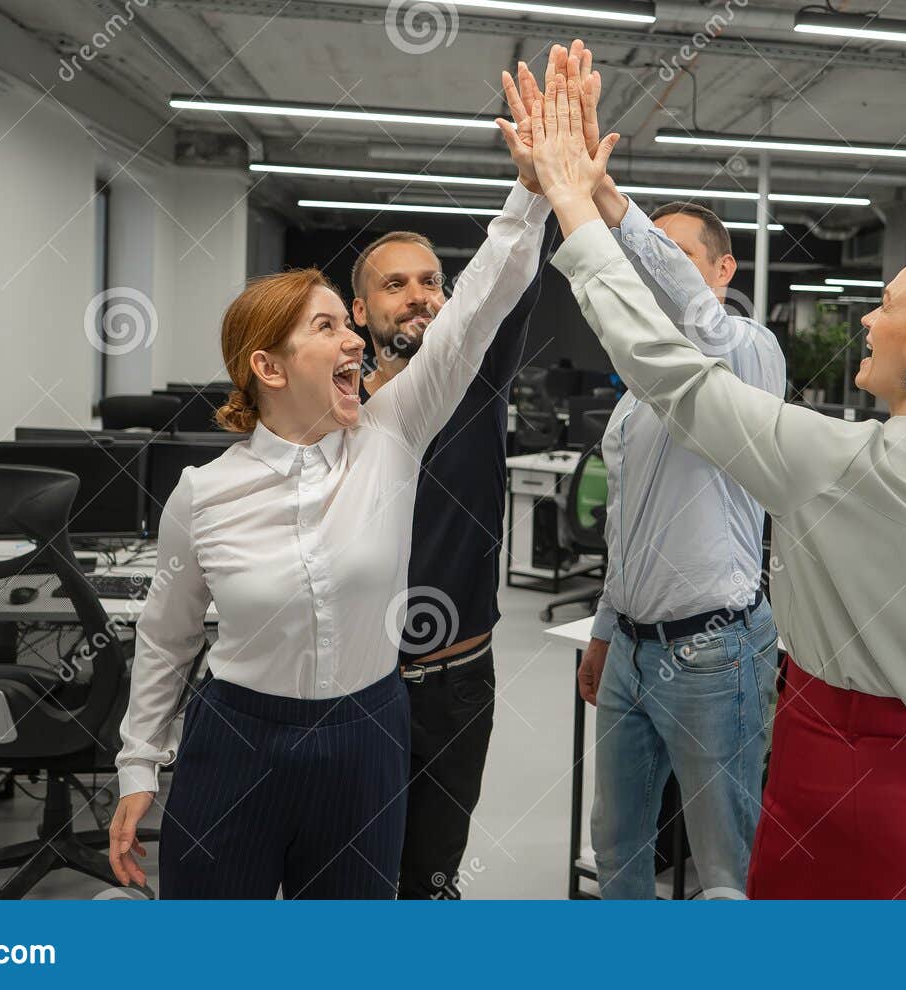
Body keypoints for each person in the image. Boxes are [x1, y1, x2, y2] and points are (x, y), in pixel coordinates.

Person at [526, 50, 906, 899]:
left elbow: (669, 369)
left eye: (886, 304)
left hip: (826, 779)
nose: (867, 317)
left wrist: (573, 205)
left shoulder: (835, 463)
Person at [105, 116, 556, 899]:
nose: (354, 343)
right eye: (328, 327)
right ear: (268, 366)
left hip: (365, 737)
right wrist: (139, 762)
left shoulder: (393, 435)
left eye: (349, 326)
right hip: (235, 742)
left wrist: (532, 189)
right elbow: (167, 637)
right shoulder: (204, 494)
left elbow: (478, 306)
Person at [503, 42, 784, 900]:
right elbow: (629, 524)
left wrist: (603, 202)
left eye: (676, 254)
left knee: (724, 863)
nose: (652, 267)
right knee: (616, 849)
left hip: (716, 651)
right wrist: (601, 630)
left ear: (724, 271)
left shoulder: (747, 352)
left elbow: (693, 318)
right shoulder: (635, 399)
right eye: (645, 253)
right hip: (630, 646)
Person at [349, 56, 558, 899]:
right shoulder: (334, 418)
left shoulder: (476, 378)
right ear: (358, 311)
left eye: (432, 281)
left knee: (431, 880)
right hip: (355, 684)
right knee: (355, 880)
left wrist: (536, 187)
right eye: (394, 285)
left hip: (458, 682)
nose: (420, 297)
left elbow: (500, 284)